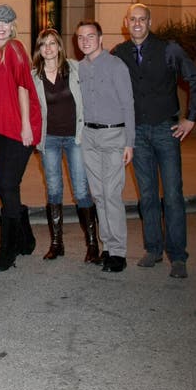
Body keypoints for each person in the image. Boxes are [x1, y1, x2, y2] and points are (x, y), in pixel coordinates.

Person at [113, 3, 196, 279]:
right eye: (133, 19)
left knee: (174, 194)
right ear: (126, 23)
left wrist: (190, 118)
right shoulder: (119, 53)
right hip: (137, 133)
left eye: (143, 19)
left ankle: (178, 256)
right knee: (147, 194)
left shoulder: (169, 49)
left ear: (149, 22)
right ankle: (153, 249)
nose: (138, 23)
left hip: (166, 130)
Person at [0, 4, 41, 273]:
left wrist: (26, 126)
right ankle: (25, 237)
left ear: (12, 26)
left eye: (6, 22)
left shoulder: (14, 49)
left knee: (7, 186)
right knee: (6, 189)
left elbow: (23, 87)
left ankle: (8, 251)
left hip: (18, 128)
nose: (1, 27)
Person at [31, 29, 100, 263]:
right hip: (48, 138)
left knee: (81, 190)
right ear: (39, 49)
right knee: (54, 189)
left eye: (52, 43)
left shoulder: (75, 68)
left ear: (60, 46)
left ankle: (92, 245)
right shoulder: (34, 76)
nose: (48, 48)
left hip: (75, 138)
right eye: (44, 44)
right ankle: (56, 244)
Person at [76, 20, 135, 273]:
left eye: (90, 36)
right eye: (80, 37)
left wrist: (129, 143)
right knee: (98, 194)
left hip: (114, 136)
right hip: (88, 136)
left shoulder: (116, 65)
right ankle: (107, 247)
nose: (85, 41)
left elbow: (128, 104)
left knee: (112, 194)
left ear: (100, 38)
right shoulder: (78, 68)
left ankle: (119, 252)